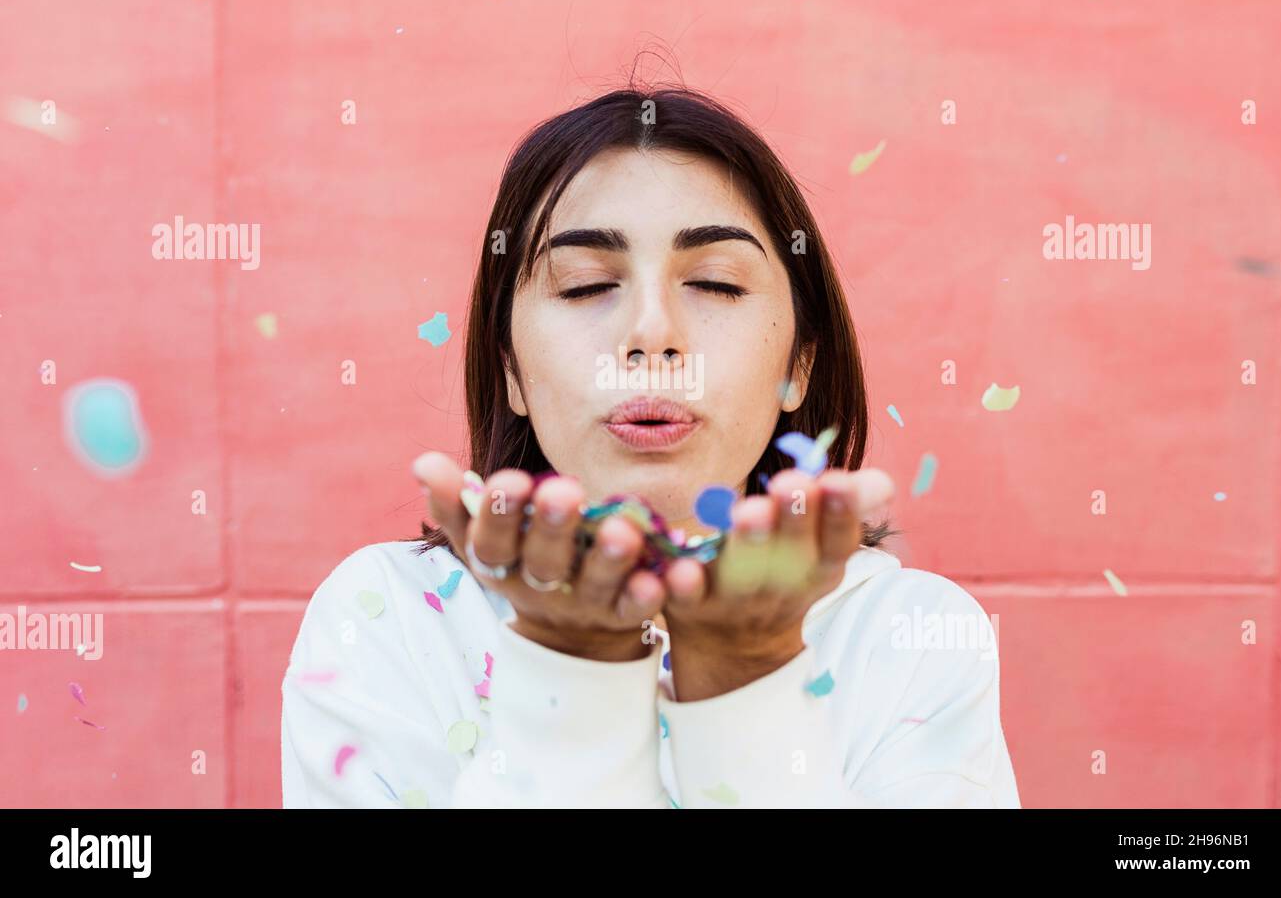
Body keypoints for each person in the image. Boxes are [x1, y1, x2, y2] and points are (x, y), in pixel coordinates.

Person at [281, 82, 1021, 808]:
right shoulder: (385, 618)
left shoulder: (913, 634)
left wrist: (744, 682)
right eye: (582, 286)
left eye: (715, 283)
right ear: (510, 369)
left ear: (799, 364)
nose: (650, 336)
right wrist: (570, 680)